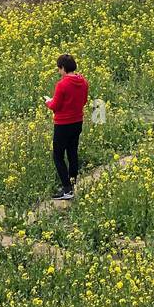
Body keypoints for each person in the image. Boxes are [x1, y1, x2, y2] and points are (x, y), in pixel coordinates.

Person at [44, 53, 89, 200]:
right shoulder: (83, 82)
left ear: (63, 68)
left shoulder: (62, 84)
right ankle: (72, 182)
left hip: (63, 124)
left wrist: (48, 102)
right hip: (77, 122)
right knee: (72, 153)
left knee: (57, 156)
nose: (59, 71)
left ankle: (67, 190)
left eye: (59, 69)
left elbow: (55, 105)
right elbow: (83, 101)